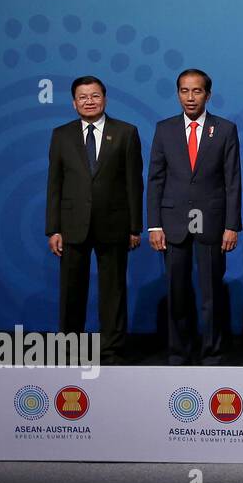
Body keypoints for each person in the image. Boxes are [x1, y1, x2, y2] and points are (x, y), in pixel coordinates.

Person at [45, 76, 143, 365]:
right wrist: (54, 229)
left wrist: (134, 227)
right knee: (71, 291)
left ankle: (111, 348)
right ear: (74, 102)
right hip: (72, 226)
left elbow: (133, 184)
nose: (89, 101)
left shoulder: (126, 132)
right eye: (83, 97)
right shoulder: (61, 135)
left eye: (95, 96)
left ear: (105, 99)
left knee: (113, 291)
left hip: (114, 225)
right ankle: (69, 348)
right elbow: (55, 185)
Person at [147, 69, 241, 365]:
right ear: (178, 94)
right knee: (177, 292)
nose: (190, 97)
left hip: (212, 223)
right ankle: (179, 353)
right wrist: (154, 224)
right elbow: (155, 180)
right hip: (173, 223)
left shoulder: (224, 129)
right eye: (185, 91)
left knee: (211, 293)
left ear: (208, 95)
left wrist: (231, 225)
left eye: (197, 91)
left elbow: (233, 181)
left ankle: (213, 353)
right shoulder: (164, 129)